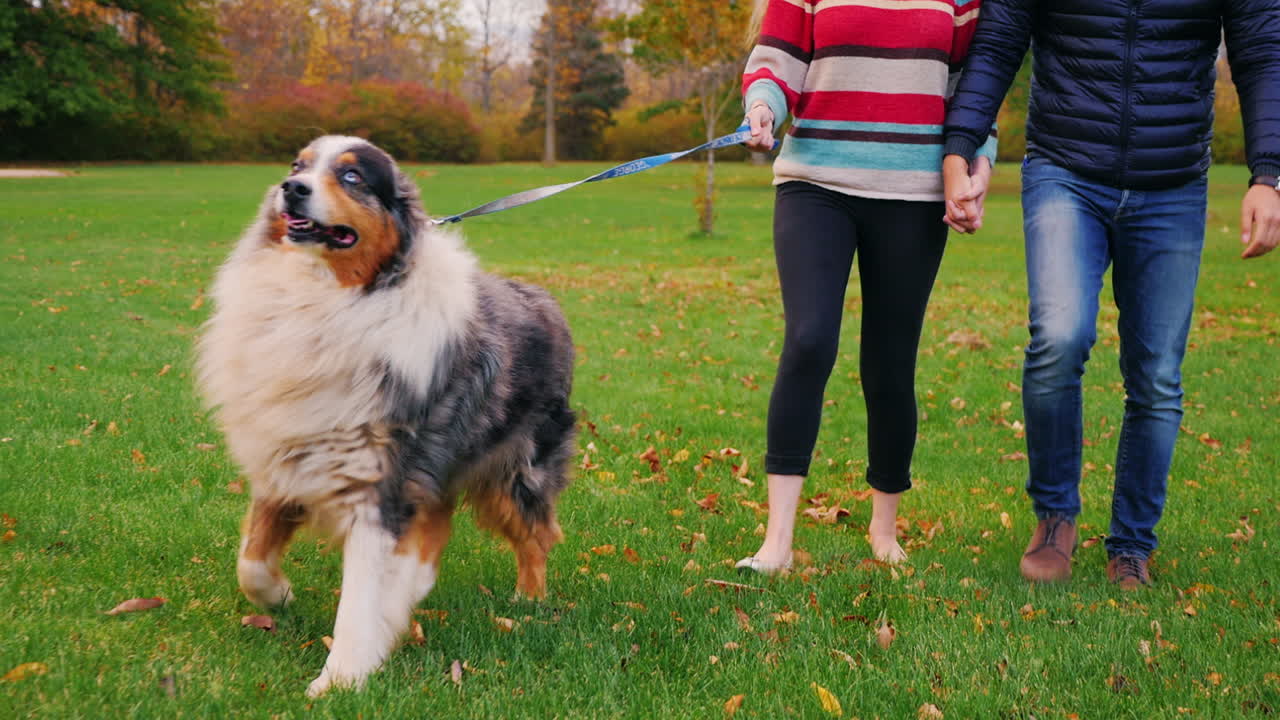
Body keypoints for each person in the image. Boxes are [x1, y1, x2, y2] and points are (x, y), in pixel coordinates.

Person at [942, 0, 1280, 588]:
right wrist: (959, 147)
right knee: (1059, 337)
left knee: (1155, 375)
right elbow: (997, 42)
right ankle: (1055, 520)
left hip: (1172, 180)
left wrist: (1268, 173)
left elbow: (1261, 52)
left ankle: (1132, 545)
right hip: (1064, 169)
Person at [736, 0, 998, 573]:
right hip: (816, 183)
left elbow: (972, 86)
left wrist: (978, 163)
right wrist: (763, 106)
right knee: (807, 341)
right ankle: (777, 540)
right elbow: (778, 60)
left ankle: (884, 529)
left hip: (911, 191)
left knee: (888, 363)